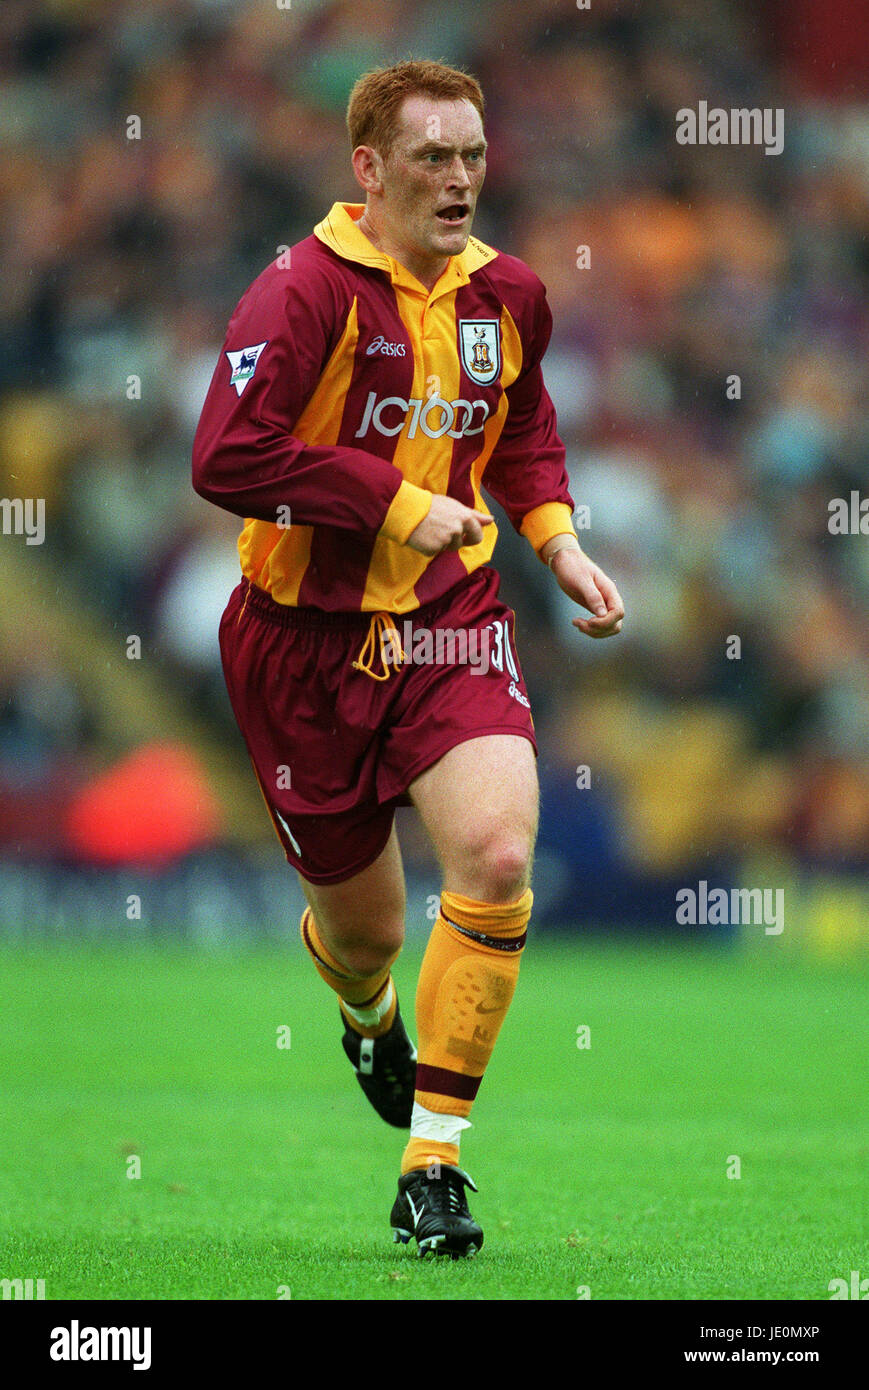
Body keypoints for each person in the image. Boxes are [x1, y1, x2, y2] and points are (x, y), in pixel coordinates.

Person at [192, 58, 624, 1259]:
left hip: (450, 618)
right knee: (368, 931)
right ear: (369, 169)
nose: (458, 179)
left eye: (472, 156)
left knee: (492, 852)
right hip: (298, 647)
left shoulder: (509, 295)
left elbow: (522, 424)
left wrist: (556, 540)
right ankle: (367, 1013)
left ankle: (431, 1161)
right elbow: (226, 456)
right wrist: (387, 501)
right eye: (431, 157)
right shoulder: (298, 293)